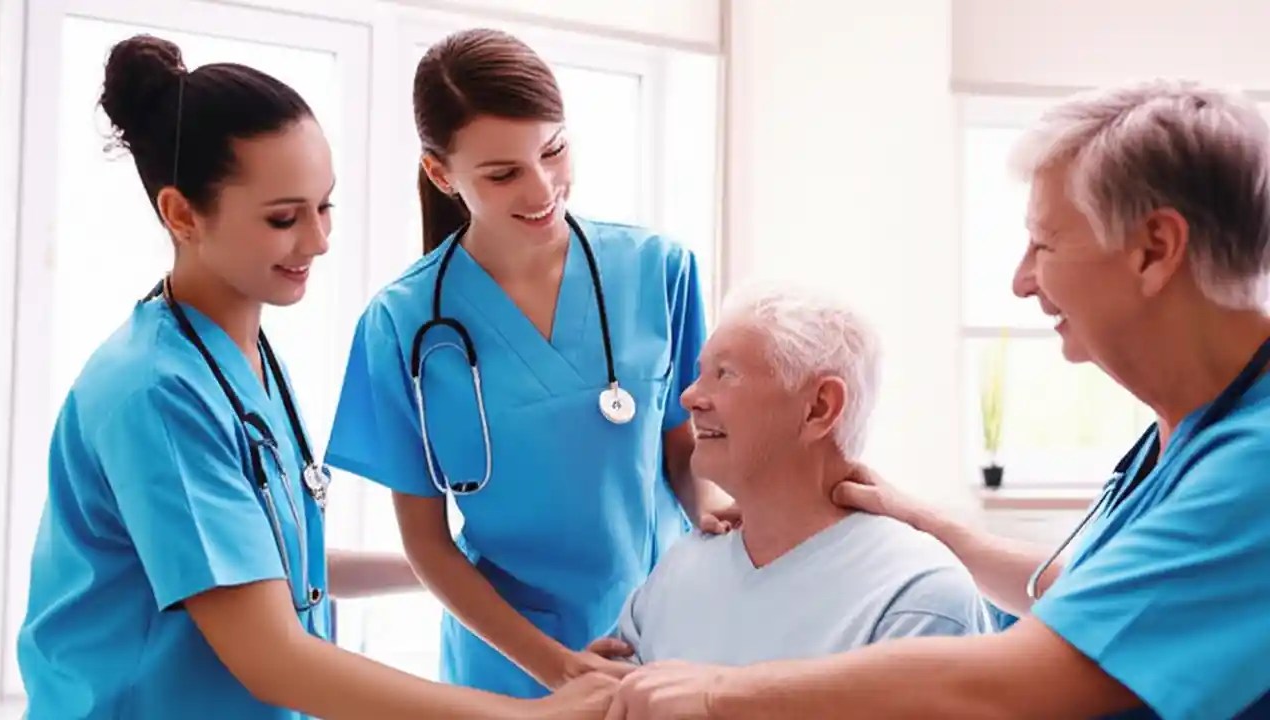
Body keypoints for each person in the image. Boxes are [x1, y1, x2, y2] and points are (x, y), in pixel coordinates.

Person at [605, 79, 1270, 720]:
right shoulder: (1186, 434)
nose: (1021, 280)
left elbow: (1013, 685)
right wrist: (933, 525)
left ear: (1154, 250)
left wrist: (716, 694)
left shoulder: (1254, 464)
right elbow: (1108, 604)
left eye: (1044, 242)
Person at [15, 34, 614, 720]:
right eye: (283, 218)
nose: (320, 240)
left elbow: (272, 566)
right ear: (181, 214)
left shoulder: (242, 361)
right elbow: (272, 656)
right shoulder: (154, 392)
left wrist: (456, 569)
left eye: (324, 207)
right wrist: (526, 715)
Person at [323, 27, 736, 700]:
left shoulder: (659, 270)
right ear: (440, 173)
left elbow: (682, 451)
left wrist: (715, 502)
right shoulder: (402, 325)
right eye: (502, 172)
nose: (543, 186)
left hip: (664, 638)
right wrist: (553, 665)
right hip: (505, 665)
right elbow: (428, 546)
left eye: (553, 150)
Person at [593, 285, 990, 667]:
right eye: (700, 373)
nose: (689, 397)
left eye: (724, 373)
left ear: (819, 407)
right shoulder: (681, 568)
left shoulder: (916, 595)